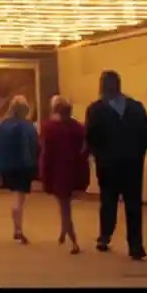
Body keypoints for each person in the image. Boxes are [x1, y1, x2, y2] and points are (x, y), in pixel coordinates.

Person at [86, 70, 147, 260]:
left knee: (108, 201)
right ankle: (136, 245)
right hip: (133, 164)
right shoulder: (136, 107)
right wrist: (137, 153)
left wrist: (98, 154)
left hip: (108, 164)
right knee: (133, 204)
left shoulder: (96, 109)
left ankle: (105, 236)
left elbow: (91, 137)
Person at [40, 95, 90, 254]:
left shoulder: (50, 128)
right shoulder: (78, 127)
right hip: (74, 171)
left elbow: (46, 154)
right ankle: (63, 233)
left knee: (64, 207)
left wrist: (44, 175)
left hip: (58, 172)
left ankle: (73, 240)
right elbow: (85, 149)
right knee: (64, 205)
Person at [0, 95, 39, 244]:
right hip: (24, 165)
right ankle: (18, 229)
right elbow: (34, 147)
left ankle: (17, 227)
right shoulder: (28, 126)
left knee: (16, 196)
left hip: (7, 165)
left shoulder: (3, 125)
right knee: (19, 198)